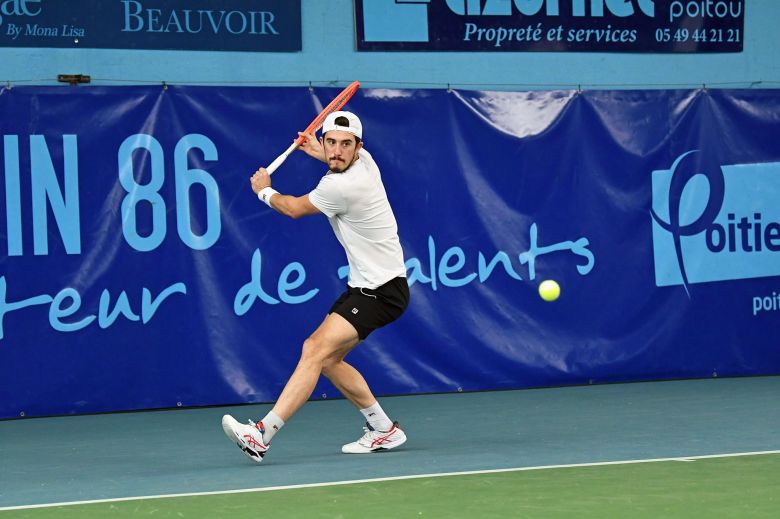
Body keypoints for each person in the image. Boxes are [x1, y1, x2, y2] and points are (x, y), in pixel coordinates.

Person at [222, 111, 410, 463]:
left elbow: (293, 209)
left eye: (346, 145)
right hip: (371, 288)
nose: (337, 151)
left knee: (313, 350)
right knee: (328, 359)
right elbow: (335, 159)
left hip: (380, 291)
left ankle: (261, 435)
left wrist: (264, 191)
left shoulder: (340, 187)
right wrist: (317, 151)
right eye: (331, 143)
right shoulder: (365, 162)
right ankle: (383, 429)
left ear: (358, 147)